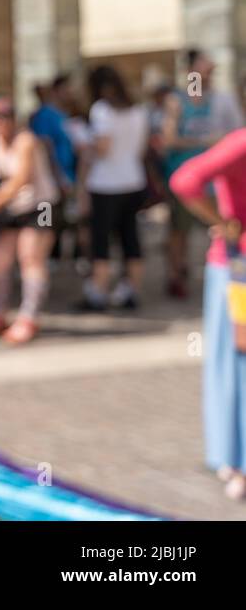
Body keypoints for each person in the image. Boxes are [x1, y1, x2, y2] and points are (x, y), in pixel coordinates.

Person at [169, 128, 246, 501]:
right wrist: (220, 220)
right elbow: (185, 180)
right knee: (236, 363)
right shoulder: (241, 143)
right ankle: (235, 461)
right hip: (238, 270)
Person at [0, 97, 60, 344]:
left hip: (41, 205)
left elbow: (21, 179)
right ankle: (0, 314)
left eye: (3, 118)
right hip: (12, 207)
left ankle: (29, 316)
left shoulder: (26, 140)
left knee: (31, 256)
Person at [163, 48, 245, 299]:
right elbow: (169, 140)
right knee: (180, 232)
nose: (209, 74)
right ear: (190, 71)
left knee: (217, 231)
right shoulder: (177, 101)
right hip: (187, 175)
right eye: (204, 68)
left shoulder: (219, 99)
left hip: (215, 181)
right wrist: (204, 142)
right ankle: (177, 276)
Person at [81, 66, 150, 311]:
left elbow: (102, 147)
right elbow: (141, 149)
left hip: (106, 183)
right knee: (130, 238)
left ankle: (98, 291)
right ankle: (131, 290)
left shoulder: (101, 110)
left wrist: (85, 150)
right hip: (133, 180)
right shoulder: (139, 111)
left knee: (101, 240)